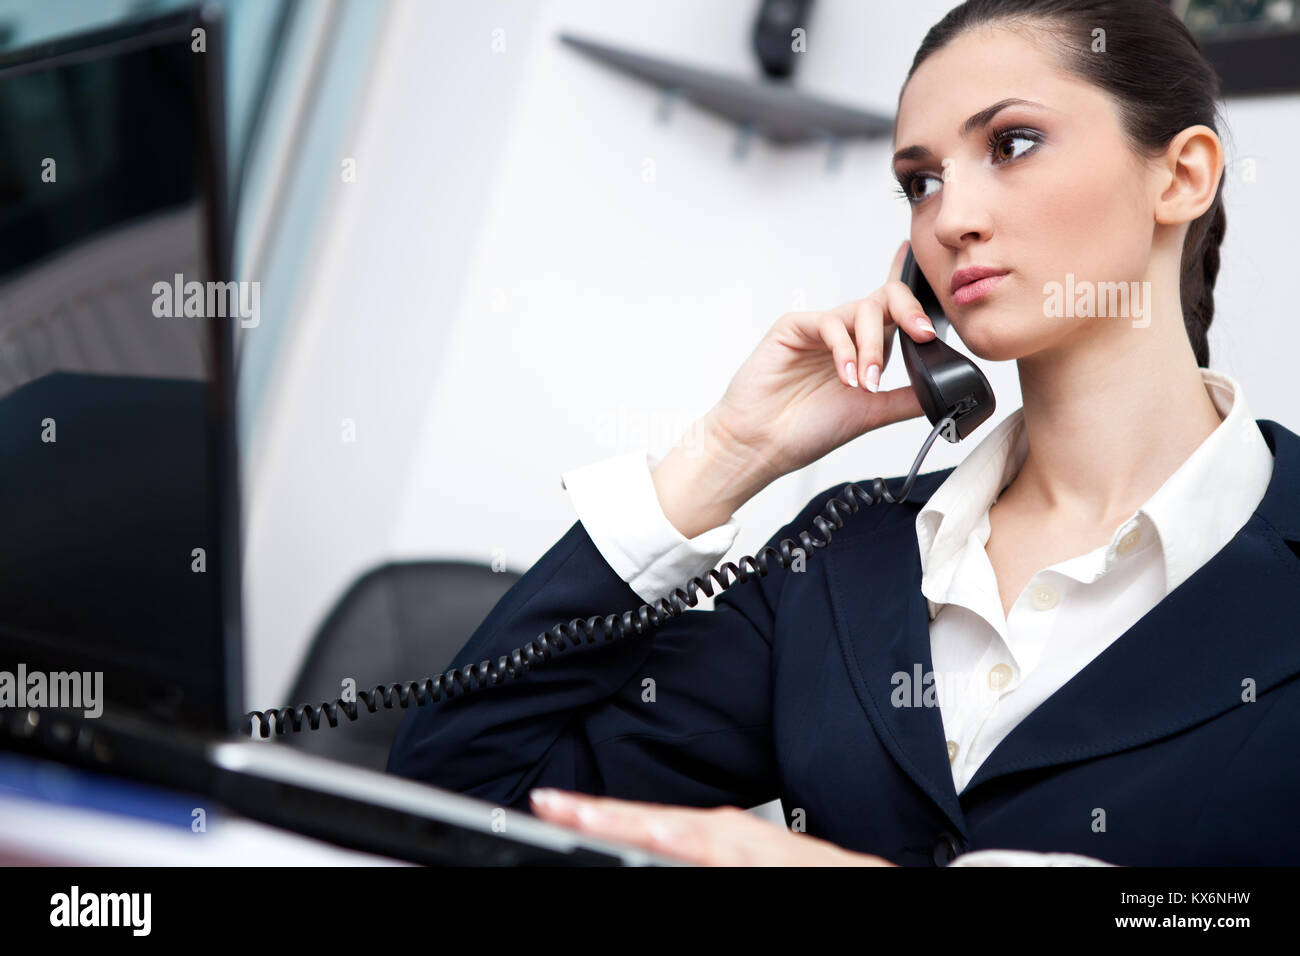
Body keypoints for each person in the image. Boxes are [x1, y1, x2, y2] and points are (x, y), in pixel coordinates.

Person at [386, 0, 1300, 866]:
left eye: (1012, 144)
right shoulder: (845, 559)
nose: (950, 218)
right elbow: (463, 798)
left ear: (1181, 176)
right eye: (920, 182)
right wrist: (727, 458)